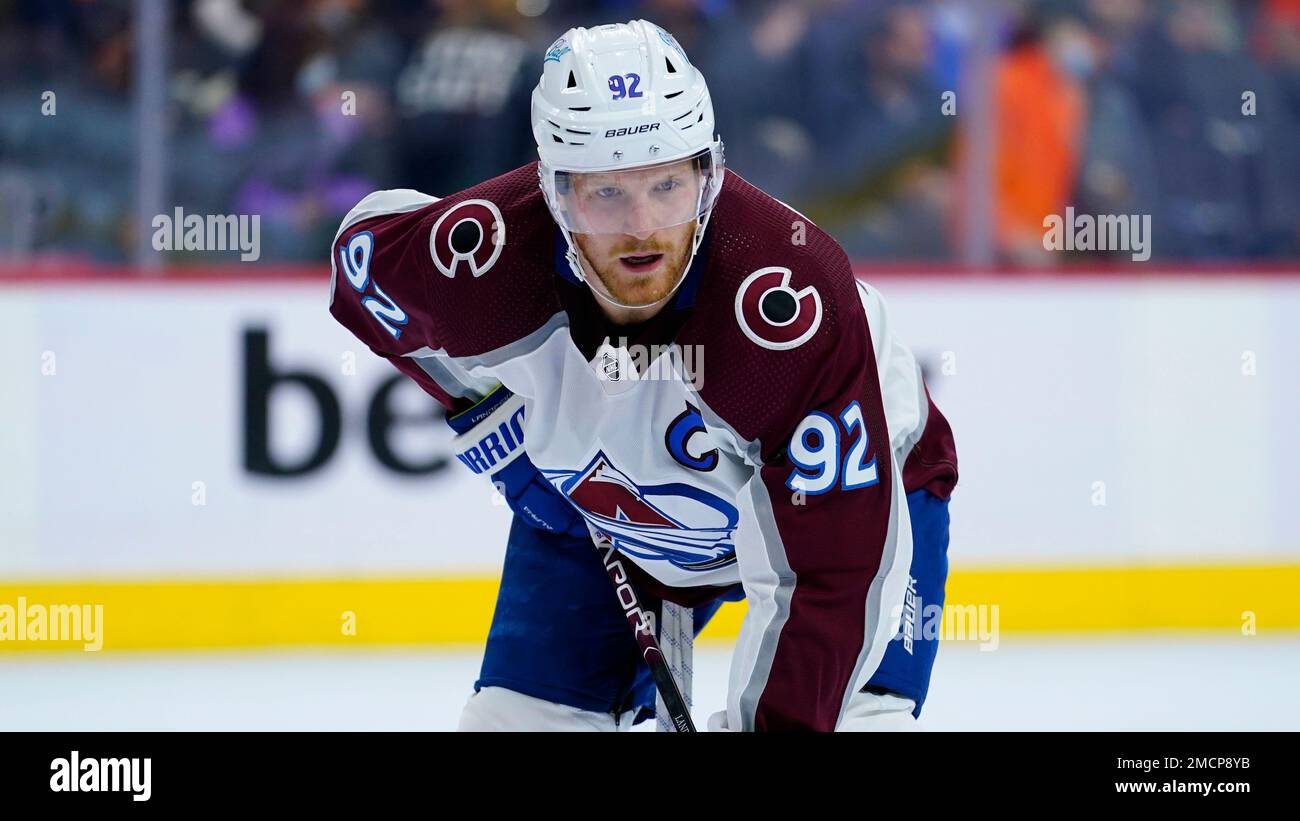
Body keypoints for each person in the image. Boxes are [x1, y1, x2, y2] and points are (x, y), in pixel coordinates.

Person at [327, 19, 957, 732]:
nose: (643, 229)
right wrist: (484, 413)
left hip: (856, 502)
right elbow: (362, 270)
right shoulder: (489, 254)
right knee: (513, 723)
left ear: (708, 172)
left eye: (666, 185)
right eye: (607, 193)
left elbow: (830, 575)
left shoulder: (789, 307)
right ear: (555, 192)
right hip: (605, 506)